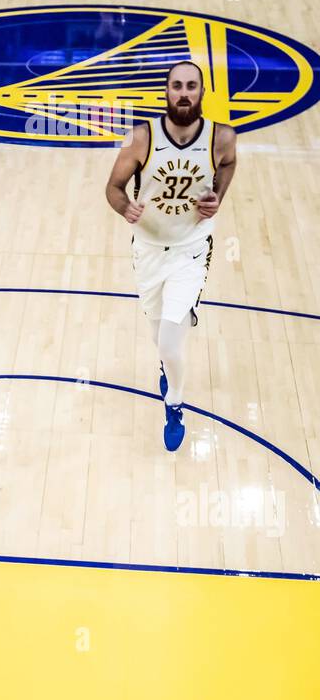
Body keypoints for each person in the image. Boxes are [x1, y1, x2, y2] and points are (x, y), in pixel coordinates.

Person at [105, 62, 237, 451]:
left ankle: (174, 403)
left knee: (169, 342)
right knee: (157, 332)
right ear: (166, 91)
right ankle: (168, 362)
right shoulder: (142, 139)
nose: (184, 92)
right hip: (147, 250)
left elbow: (227, 165)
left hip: (191, 251)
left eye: (191, 86)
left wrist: (219, 195)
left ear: (201, 92)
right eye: (177, 86)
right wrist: (124, 206)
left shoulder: (221, 138)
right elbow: (113, 187)